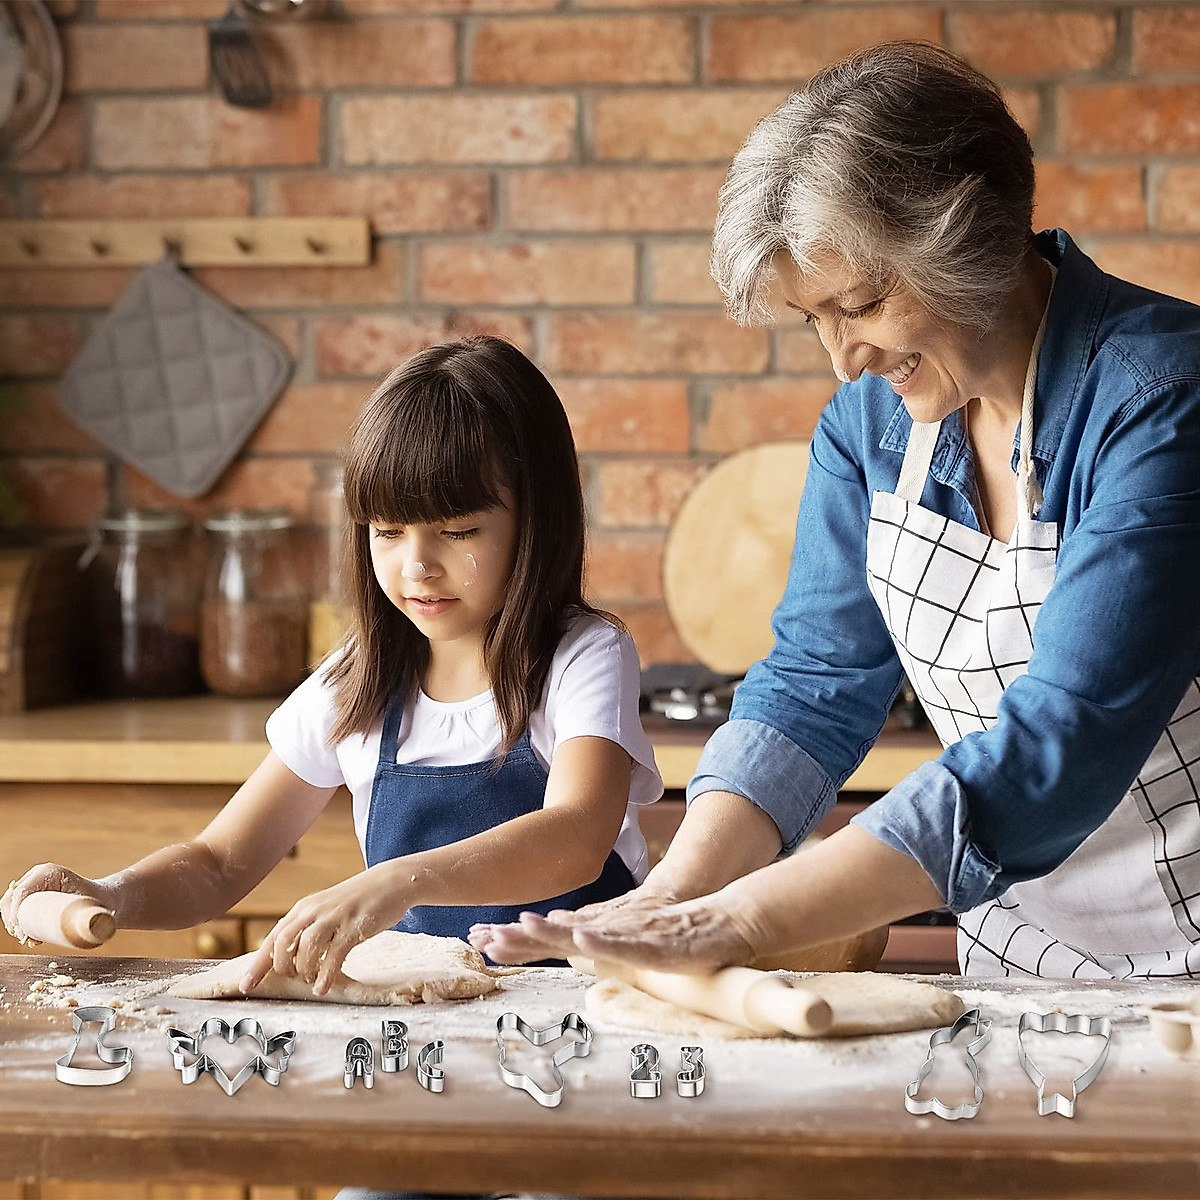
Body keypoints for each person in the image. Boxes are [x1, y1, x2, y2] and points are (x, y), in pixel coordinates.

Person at [471, 40, 1200, 983]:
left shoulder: (1161, 400)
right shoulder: (872, 430)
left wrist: (732, 924)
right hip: (1023, 966)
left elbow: (1061, 742)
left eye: (859, 303)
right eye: (813, 318)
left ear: (968, 236)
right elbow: (815, 687)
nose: (842, 358)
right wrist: (674, 895)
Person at [2, 336, 662, 995]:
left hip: (584, 1009)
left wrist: (394, 882)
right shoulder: (358, 681)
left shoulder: (584, 655)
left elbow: (577, 836)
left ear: (537, 524)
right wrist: (112, 895)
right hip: (433, 1022)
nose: (417, 565)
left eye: (457, 532)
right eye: (388, 532)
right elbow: (220, 862)